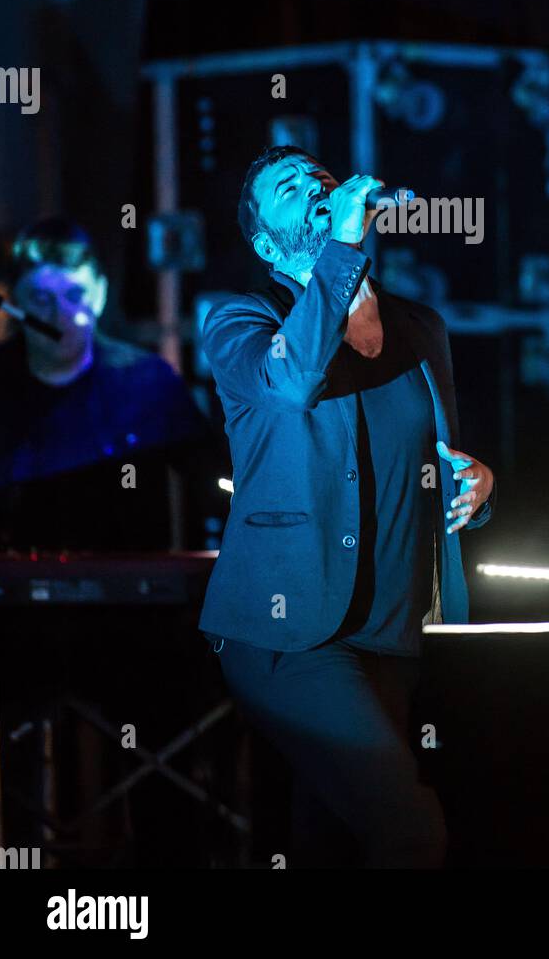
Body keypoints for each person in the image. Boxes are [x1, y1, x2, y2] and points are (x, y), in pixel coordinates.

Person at [199, 145, 496, 868]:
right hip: (287, 629)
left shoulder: (419, 326)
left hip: (388, 624)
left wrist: (478, 487)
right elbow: (294, 381)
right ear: (268, 242)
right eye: (289, 187)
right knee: (410, 828)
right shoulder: (241, 319)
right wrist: (342, 248)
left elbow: (433, 456)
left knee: (333, 839)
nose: (315, 185)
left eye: (319, 176)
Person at [0, 218, 214, 551]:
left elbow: (211, 479)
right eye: (41, 298)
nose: (60, 315)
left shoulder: (147, 382)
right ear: (15, 303)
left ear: (100, 294)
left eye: (74, 294)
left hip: (133, 594)